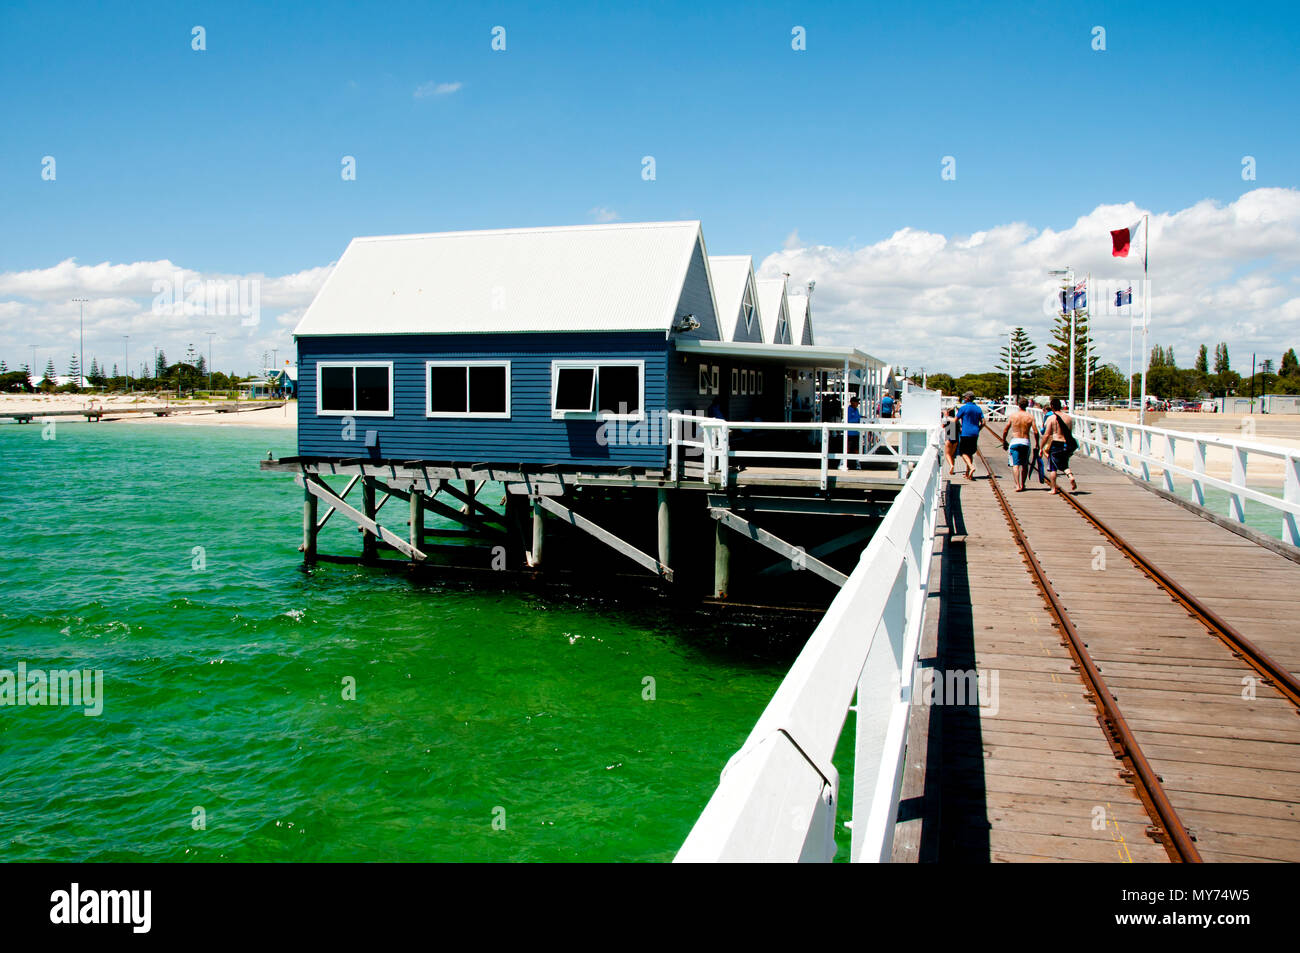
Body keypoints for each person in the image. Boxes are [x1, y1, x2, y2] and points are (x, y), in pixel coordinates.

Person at [955, 391, 1002, 480]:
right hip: (975, 433)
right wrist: (978, 429)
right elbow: (984, 422)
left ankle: (971, 467)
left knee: (963, 452)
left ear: (968, 398)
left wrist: (958, 428)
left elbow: (955, 420)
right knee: (970, 453)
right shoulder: (978, 409)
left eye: (965, 397)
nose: (964, 399)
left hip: (965, 433)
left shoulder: (963, 408)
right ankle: (968, 474)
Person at [1040, 397, 1078, 494]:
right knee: (1064, 463)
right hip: (1067, 444)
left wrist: (1041, 447)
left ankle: (1053, 488)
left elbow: (1047, 434)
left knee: (1053, 468)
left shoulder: (1051, 418)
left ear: (1052, 406)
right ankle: (1070, 476)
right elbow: (1069, 432)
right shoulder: (1068, 418)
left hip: (1056, 443)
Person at [1000, 397, 1039, 492]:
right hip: (1025, 442)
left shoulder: (1013, 416)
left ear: (1018, 405)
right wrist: (1037, 444)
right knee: (1025, 464)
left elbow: (1005, 430)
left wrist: (1004, 441)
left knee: (1015, 465)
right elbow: (1036, 432)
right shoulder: (1030, 417)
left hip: (1015, 441)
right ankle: (1023, 484)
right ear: (1027, 405)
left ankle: (1017, 485)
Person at [845, 395, 862, 469]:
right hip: (849, 433)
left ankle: (857, 463)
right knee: (847, 448)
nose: (858, 403)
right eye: (856, 402)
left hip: (856, 432)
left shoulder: (856, 410)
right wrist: (859, 418)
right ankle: (843, 462)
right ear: (852, 402)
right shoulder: (848, 410)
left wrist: (861, 417)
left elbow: (857, 417)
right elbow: (849, 420)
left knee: (856, 449)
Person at [943, 407, 960, 475]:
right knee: (952, 455)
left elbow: (942, 426)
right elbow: (959, 429)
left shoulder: (947, 419)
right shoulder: (956, 421)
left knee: (947, 454)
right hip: (955, 439)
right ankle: (952, 470)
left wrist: (945, 416)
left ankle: (951, 466)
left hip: (949, 438)